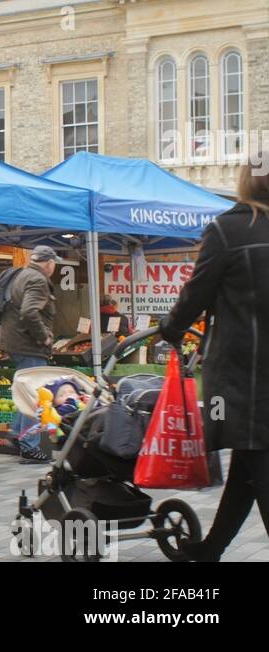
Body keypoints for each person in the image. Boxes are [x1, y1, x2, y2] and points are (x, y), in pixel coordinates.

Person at [160, 159, 269, 561]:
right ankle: (210, 551)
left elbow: (196, 294)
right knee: (248, 461)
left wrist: (170, 329)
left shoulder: (229, 229)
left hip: (246, 373)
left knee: (256, 454)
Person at [0, 245, 60, 463]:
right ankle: (29, 446)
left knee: (27, 392)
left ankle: (16, 434)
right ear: (50, 263)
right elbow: (28, 311)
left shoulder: (23, 275)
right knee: (34, 395)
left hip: (17, 342)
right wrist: (43, 336)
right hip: (29, 345)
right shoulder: (37, 280)